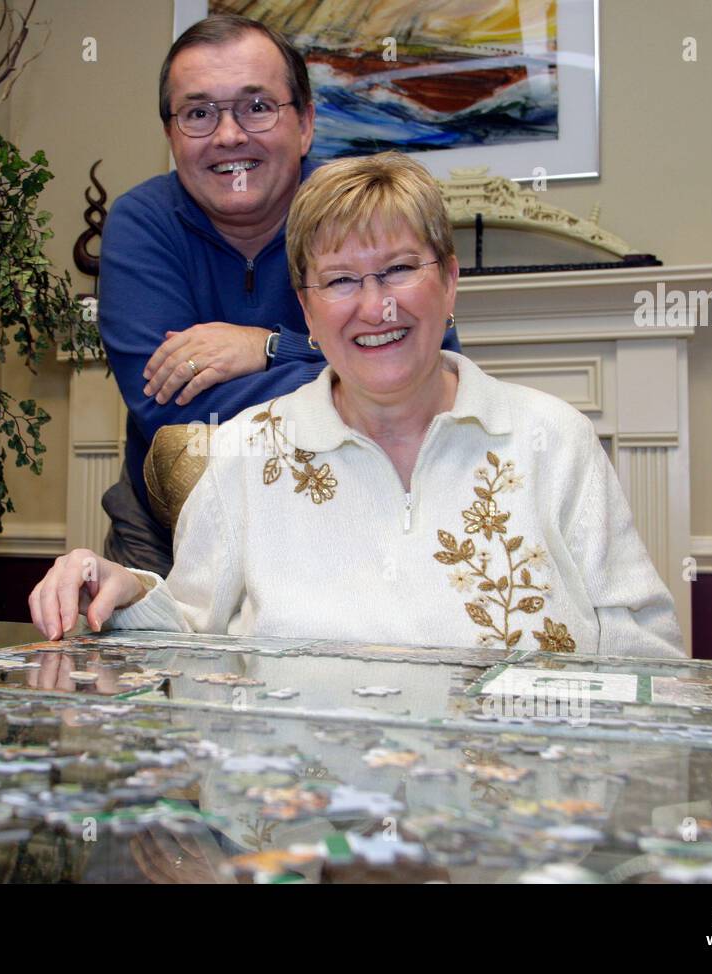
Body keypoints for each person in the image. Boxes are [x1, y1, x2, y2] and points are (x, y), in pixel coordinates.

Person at [34, 151, 685, 659]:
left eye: (401, 269)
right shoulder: (243, 453)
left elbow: (648, 655)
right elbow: (189, 629)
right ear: (307, 308)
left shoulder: (554, 442)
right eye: (341, 280)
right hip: (298, 821)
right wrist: (117, 590)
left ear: (451, 281)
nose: (377, 307)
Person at [97, 14, 460, 576]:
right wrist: (349, 372)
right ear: (171, 135)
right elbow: (177, 419)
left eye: (257, 106)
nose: (229, 136)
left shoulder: (361, 212)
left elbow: (433, 371)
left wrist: (268, 347)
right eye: (198, 113)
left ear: (306, 124)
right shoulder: (140, 223)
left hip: (360, 511)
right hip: (177, 529)